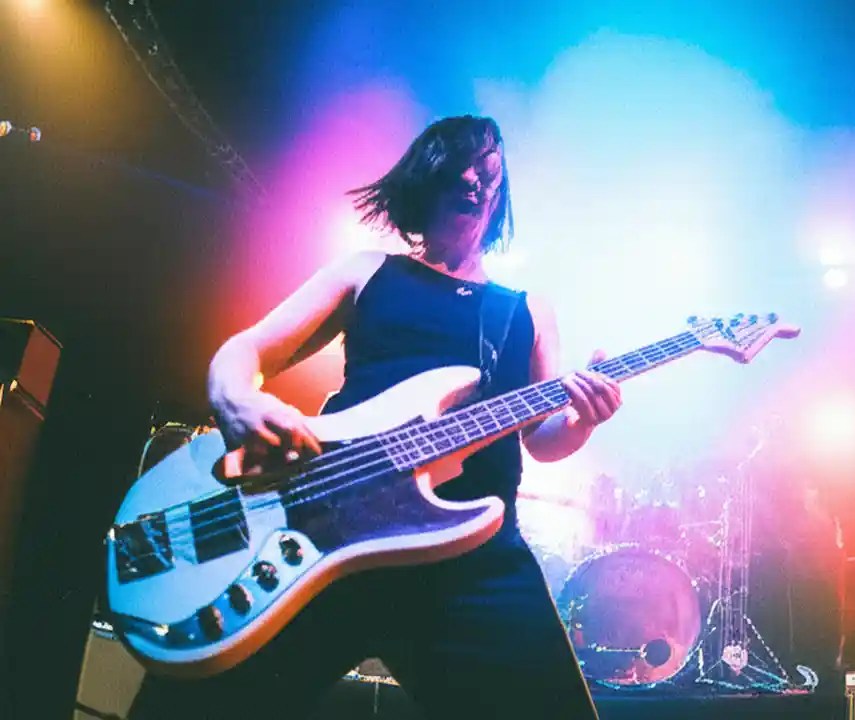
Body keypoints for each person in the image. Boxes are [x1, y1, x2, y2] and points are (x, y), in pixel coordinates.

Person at [130, 115, 619, 719]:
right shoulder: (368, 271)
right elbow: (248, 350)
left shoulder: (526, 311)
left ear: (500, 192)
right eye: (458, 163)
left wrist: (585, 420)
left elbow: (541, 440)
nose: (473, 176)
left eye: (487, 167)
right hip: (328, 524)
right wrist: (236, 399)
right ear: (427, 175)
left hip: (471, 556)